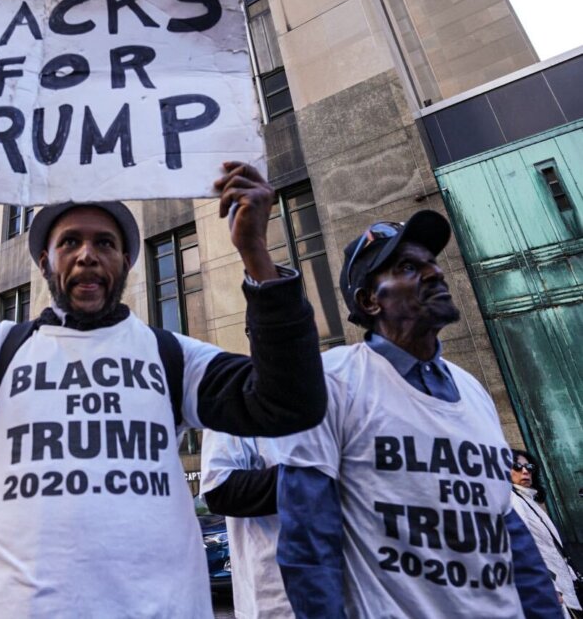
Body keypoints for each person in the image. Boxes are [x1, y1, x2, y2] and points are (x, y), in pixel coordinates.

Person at [0, 109, 327, 617]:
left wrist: (258, 256)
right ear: (45, 263)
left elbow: (289, 403)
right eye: (70, 243)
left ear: (126, 262)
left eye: (105, 242)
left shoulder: (173, 358)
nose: (87, 254)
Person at [271, 210, 562, 618]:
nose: (434, 273)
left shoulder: (472, 391)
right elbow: (308, 546)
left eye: (432, 262)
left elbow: (508, 530)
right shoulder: (332, 381)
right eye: (408, 267)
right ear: (369, 300)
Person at [200, 429, 295, 618]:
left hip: (345, 591)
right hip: (275, 599)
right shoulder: (235, 403)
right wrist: (305, 479)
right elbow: (218, 488)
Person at [510, 449, 583, 618]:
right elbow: (521, 546)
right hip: (552, 589)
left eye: (528, 466)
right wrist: (549, 587)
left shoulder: (526, 499)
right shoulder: (513, 500)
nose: (525, 471)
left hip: (563, 586)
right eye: (516, 466)